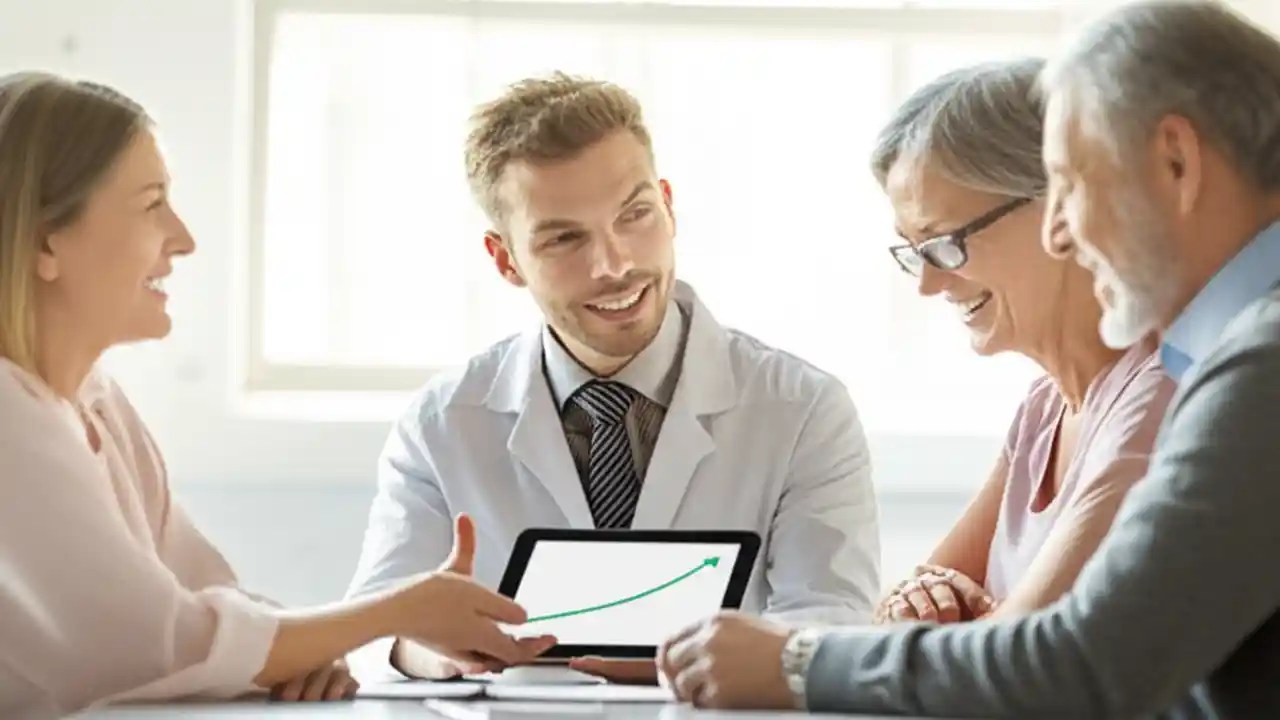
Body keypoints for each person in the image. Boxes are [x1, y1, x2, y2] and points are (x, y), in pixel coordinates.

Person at [657, 1, 1280, 716]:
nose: (1060, 233)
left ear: (1176, 162)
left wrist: (797, 660)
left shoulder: (1261, 365)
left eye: (1072, 186)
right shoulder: (1235, 356)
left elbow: (1085, 665)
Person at [0, 72, 553, 720]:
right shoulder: (11, 418)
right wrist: (397, 612)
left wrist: (303, 654)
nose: (182, 238)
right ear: (45, 240)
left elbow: (211, 594)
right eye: (152, 204)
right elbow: (160, 643)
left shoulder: (98, 404)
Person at [344, 72, 881, 683]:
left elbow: (835, 623)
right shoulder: (441, 422)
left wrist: (694, 664)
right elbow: (369, 632)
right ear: (505, 259)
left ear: (669, 206)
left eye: (635, 215)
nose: (615, 265)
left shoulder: (803, 409)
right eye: (565, 239)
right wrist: (432, 651)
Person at [869, 58, 1174, 626]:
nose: (929, 284)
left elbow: (1016, 652)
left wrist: (964, 625)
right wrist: (919, 605)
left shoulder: (1159, 396)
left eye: (944, 243)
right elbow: (899, 622)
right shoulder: (1044, 407)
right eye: (914, 251)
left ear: (1061, 206)